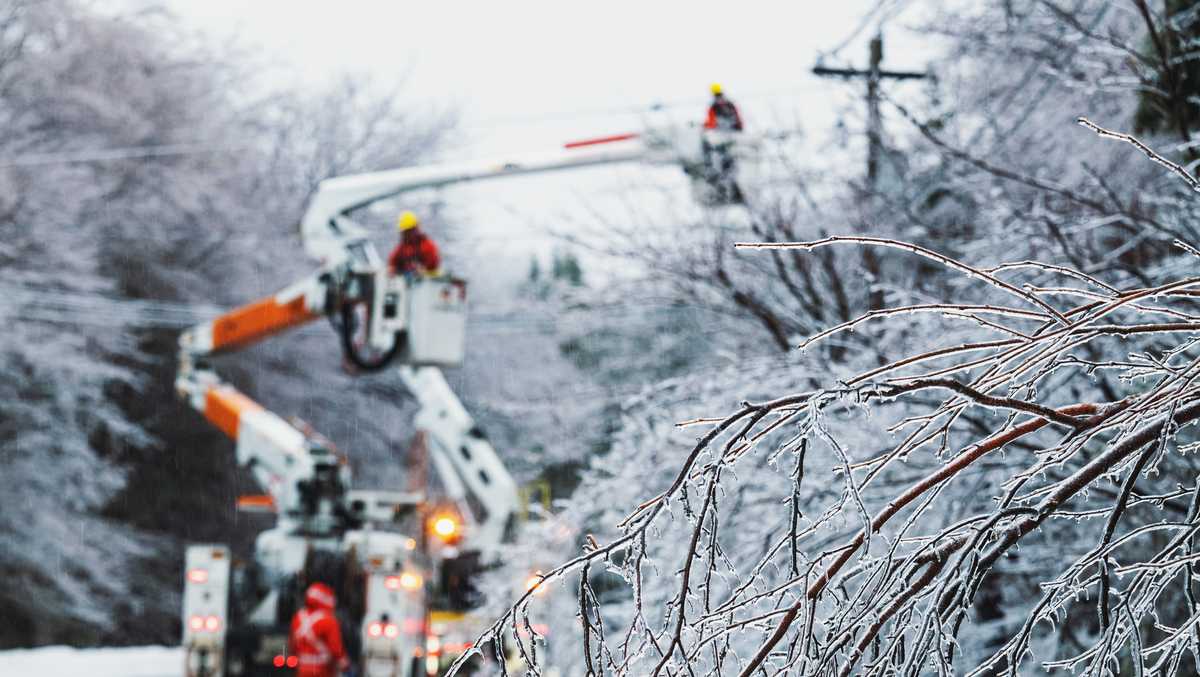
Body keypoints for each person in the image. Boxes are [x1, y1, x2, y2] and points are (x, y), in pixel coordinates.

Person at [288, 582, 349, 677]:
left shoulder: (298, 617)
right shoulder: (329, 620)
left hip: (302, 670)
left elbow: (292, 645)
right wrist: (344, 663)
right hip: (323, 670)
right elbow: (335, 648)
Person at [387, 211, 442, 277]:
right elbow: (392, 262)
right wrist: (393, 269)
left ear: (415, 229)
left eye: (408, 231)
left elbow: (433, 265)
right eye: (404, 233)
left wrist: (423, 270)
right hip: (408, 282)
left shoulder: (427, 246)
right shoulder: (402, 247)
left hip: (427, 282)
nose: (406, 235)